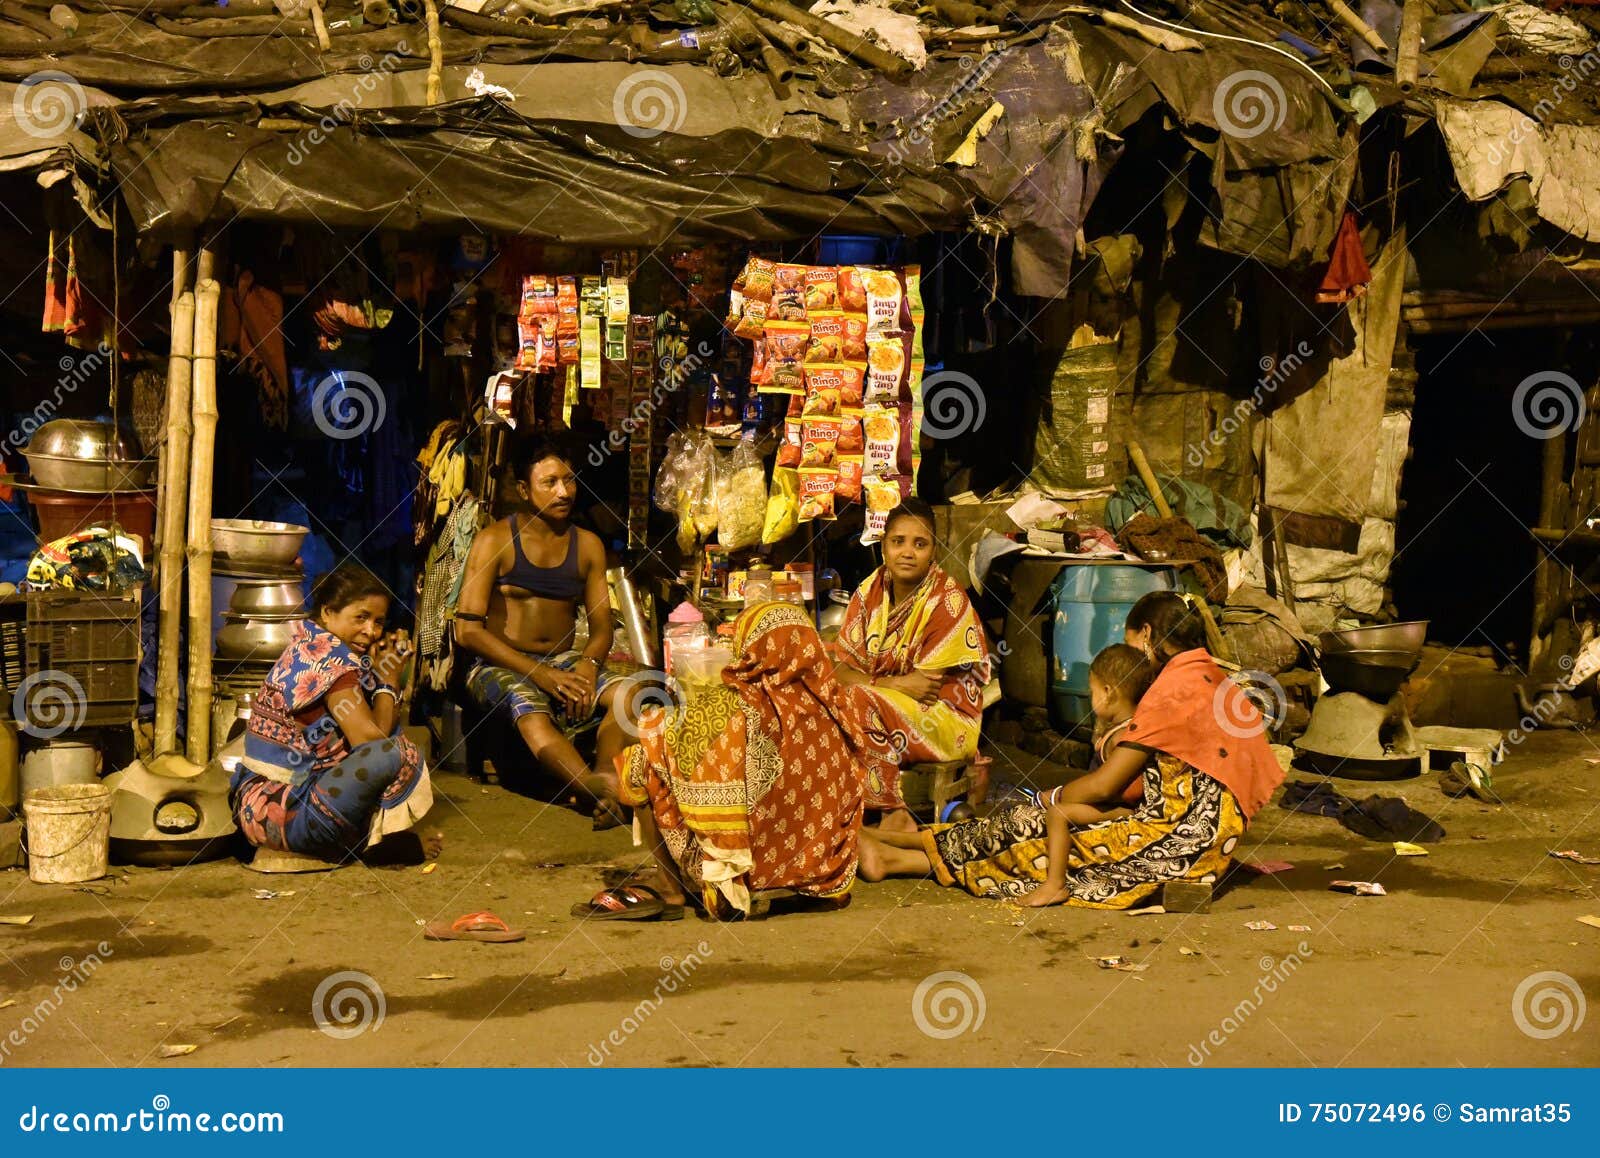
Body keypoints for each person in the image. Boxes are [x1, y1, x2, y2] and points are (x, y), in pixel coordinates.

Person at [859, 593, 1285, 910]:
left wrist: (1050, 800)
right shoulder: (1214, 677)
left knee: (1035, 839)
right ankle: (886, 843)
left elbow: (1105, 785)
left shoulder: (1173, 690)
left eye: (1130, 643)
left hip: (1180, 844)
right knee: (1030, 822)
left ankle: (894, 858)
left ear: (1148, 636)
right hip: (1193, 834)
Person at [602, 602, 877, 920]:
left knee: (641, 760)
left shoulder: (732, 707)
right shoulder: (836, 709)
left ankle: (672, 887)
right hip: (817, 864)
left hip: (749, 861)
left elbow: (654, 732)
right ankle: (810, 885)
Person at [454, 436, 635, 828]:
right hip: (497, 662)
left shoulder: (587, 545)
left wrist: (587, 666)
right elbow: (467, 632)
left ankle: (606, 774)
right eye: (549, 483)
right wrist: (541, 675)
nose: (563, 492)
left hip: (563, 659)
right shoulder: (494, 540)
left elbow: (602, 625)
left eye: (569, 481)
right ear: (523, 490)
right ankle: (587, 786)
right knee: (529, 707)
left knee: (634, 690)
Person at [231, 565, 436, 860]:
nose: (371, 631)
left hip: (255, 811)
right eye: (361, 617)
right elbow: (371, 741)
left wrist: (379, 679)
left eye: (378, 622)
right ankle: (364, 843)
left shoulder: (308, 644)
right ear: (327, 613)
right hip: (287, 815)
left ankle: (359, 841)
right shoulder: (333, 663)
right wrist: (389, 681)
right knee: (394, 753)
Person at [832, 499, 990, 830]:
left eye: (920, 544)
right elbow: (840, 670)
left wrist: (872, 683)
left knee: (858, 700)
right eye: (898, 542)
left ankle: (892, 813)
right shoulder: (869, 592)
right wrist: (890, 683)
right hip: (887, 703)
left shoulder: (948, 599)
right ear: (884, 546)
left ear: (933, 551)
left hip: (944, 718)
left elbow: (924, 688)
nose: (908, 552)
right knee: (822, 699)